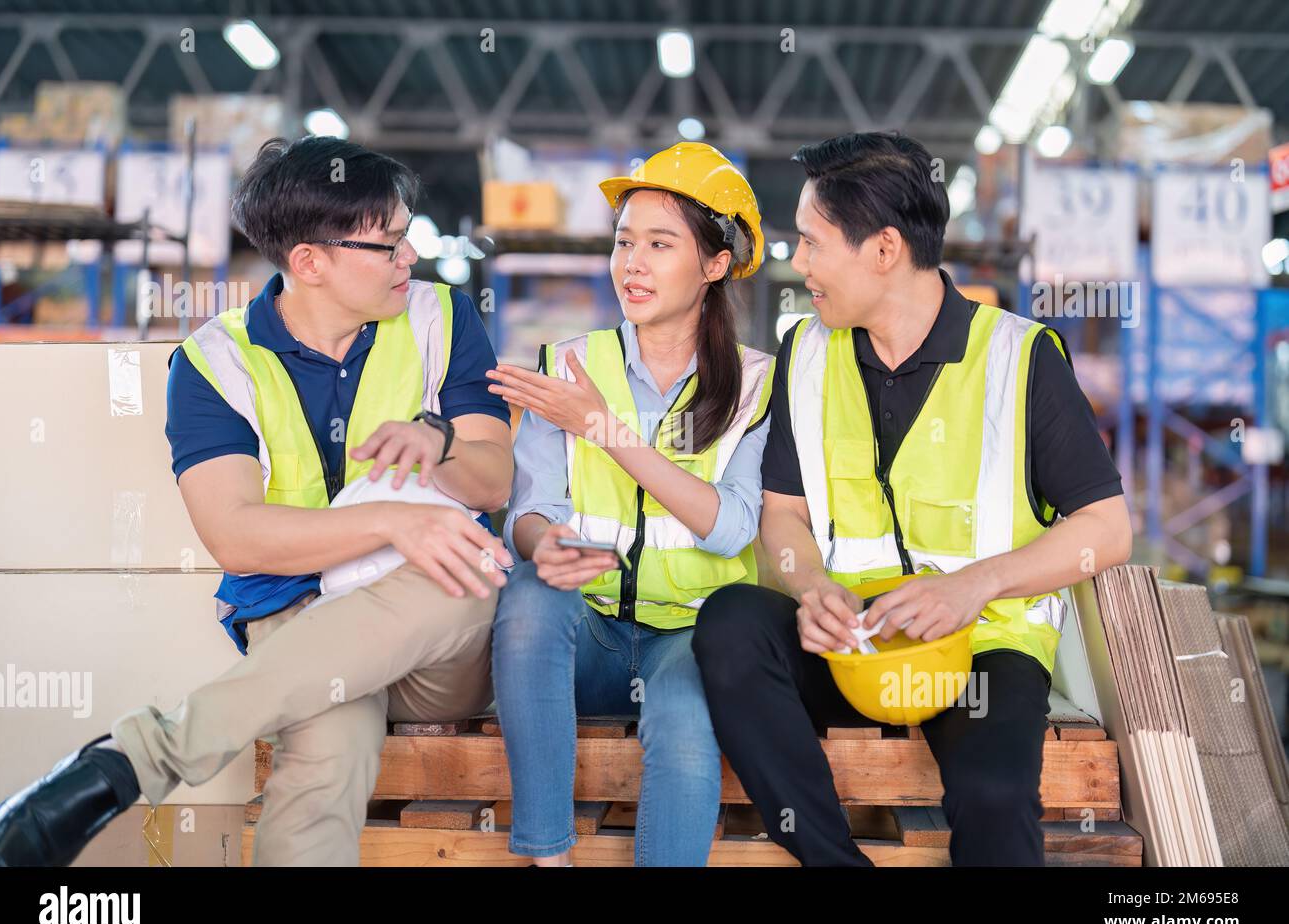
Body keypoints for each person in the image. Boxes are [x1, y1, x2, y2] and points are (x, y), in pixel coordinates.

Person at [0, 136, 515, 867]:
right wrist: (397, 518)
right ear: (309, 262)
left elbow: (493, 483)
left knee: (463, 567)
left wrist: (442, 445)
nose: (409, 259)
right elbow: (235, 536)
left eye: (406, 238)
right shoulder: (213, 362)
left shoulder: (446, 320)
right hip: (302, 625)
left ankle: (128, 763)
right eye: (388, 245)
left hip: (438, 641)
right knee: (321, 769)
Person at [692, 132, 1133, 866]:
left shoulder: (1020, 358)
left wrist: (973, 586)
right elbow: (783, 513)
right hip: (852, 640)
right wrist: (810, 588)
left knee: (994, 798)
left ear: (885, 249)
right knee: (733, 623)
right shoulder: (807, 352)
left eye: (811, 242)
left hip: (977, 649)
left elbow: (1107, 529)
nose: (797, 263)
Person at [484, 143, 774, 866]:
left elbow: (730, 523)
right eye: (623, 243)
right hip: (592, 636)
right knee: (528, 594)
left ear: (714, 264)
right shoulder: (572, 364)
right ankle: (547, 855)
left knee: (683, 735)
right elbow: (531, 503)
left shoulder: (758, 384)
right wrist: (541, 541)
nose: (632, 264)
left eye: (659, 244)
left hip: (691, 638)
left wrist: (604, 430)